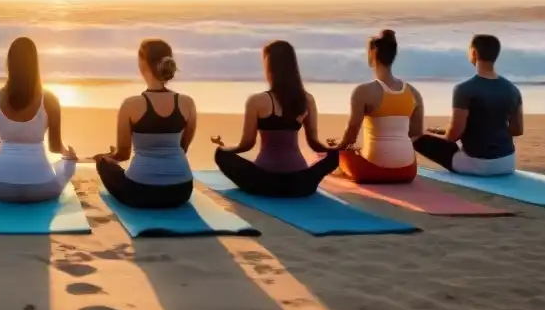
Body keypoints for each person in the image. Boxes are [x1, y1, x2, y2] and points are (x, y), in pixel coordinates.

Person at [211, 40, 340, 197]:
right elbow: (315, 144)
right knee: (334, 156)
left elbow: (246, 144)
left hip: (264, 182)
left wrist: (225, 148)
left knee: (221, 155)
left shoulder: (256, 101)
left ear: (269, 66)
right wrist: (333, 149)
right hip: (300, 184)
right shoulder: (307, 99)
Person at [0, 37, 78, 203]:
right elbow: (55, 147)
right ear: (35, 64)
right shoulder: (50, 99)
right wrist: (69, 155)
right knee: (66, 164)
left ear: (9, 64)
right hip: (42, 188)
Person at [94, 39, 196, 209]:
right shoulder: (187, 103)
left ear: (142, 64)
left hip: (140, 192)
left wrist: (106, 157)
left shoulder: (130, 105)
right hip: (181, 191)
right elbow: (183, 147)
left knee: (103, 164)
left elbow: (123, 155)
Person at [412, 34, 522, 176]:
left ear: (474, 53)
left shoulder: (464, 89)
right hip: (507, 163)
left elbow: (453, 136)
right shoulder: (512, 89)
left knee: (416, 138)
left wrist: (435, 136)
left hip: (478, 164)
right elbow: (517, 129)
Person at [333, 29, 423, 184]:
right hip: (407, 171)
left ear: (373, 53)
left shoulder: (363, 91)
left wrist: (337, 148)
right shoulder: (413, 92)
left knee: (338, 153)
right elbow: (416, 134)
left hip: (372, 170)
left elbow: (351, 136)